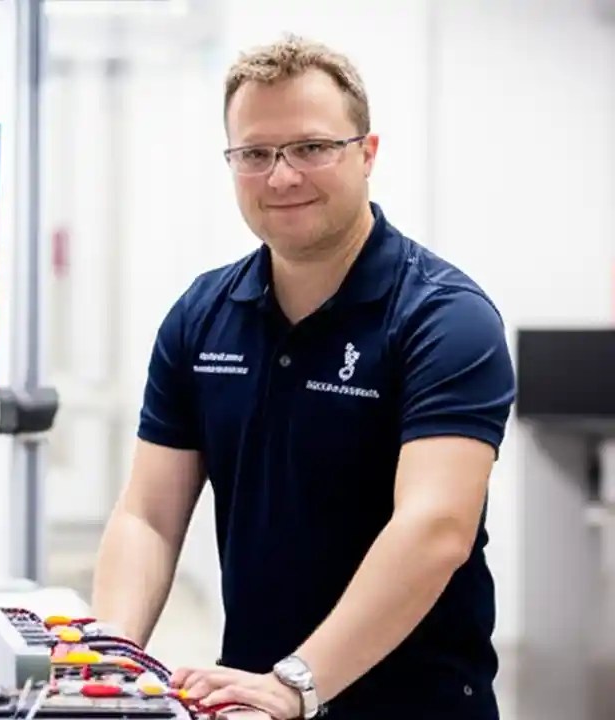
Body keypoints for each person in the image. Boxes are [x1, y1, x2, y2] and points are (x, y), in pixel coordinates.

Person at [90, 34, 516, 720]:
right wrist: (108, 661)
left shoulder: (444, 318)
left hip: (408, 703)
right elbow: (149, 515)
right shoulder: (202, 316)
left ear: (367, 154)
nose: (282, 177)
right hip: (253, 702)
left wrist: (299, 682)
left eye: (313, 148)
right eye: (255, 154)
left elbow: (436, 525)